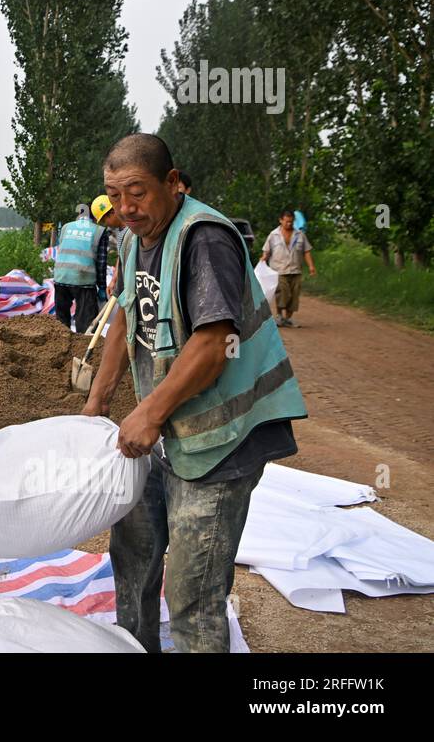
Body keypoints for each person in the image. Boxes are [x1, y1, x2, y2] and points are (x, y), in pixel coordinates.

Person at [81, 133, 306, 653]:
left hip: (222, 439)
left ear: (173, 182)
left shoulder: (203, 238)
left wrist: (149, 414)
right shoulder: (132, 238)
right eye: (113, 196)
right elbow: (123, 318)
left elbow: (213, 345)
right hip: (165, 433)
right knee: (133, 553)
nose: (125, 208)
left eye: (136, 192)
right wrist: (99, 399)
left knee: (193, 592)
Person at [52, 203, 106, 332]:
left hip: (61, 277)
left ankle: (61, 347)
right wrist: (102, 287)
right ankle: (83, 349)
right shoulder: (99, 231)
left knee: (61, 322)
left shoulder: (66, 227)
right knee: (86, 324)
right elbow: (101, 262)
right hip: (84, 279)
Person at [262, 210, 316, 327]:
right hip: (279, 270)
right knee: (282, 293)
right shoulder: (273, 235)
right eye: (286, 222)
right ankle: (280, 316)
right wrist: (262, 261)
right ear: (281, 220)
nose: (289, 224)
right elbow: (266, 251)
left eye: (291, 222)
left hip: (296, 270)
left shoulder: (300, 235)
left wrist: (311, 266)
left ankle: (288, 318)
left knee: (294, 296)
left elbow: (306, 251)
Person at [90, 194, 124, 303]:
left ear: (112, 212)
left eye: (105, 221)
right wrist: (114, 280)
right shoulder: (120, 231)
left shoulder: (132, 230)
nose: (106, 224)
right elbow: (122, 256)